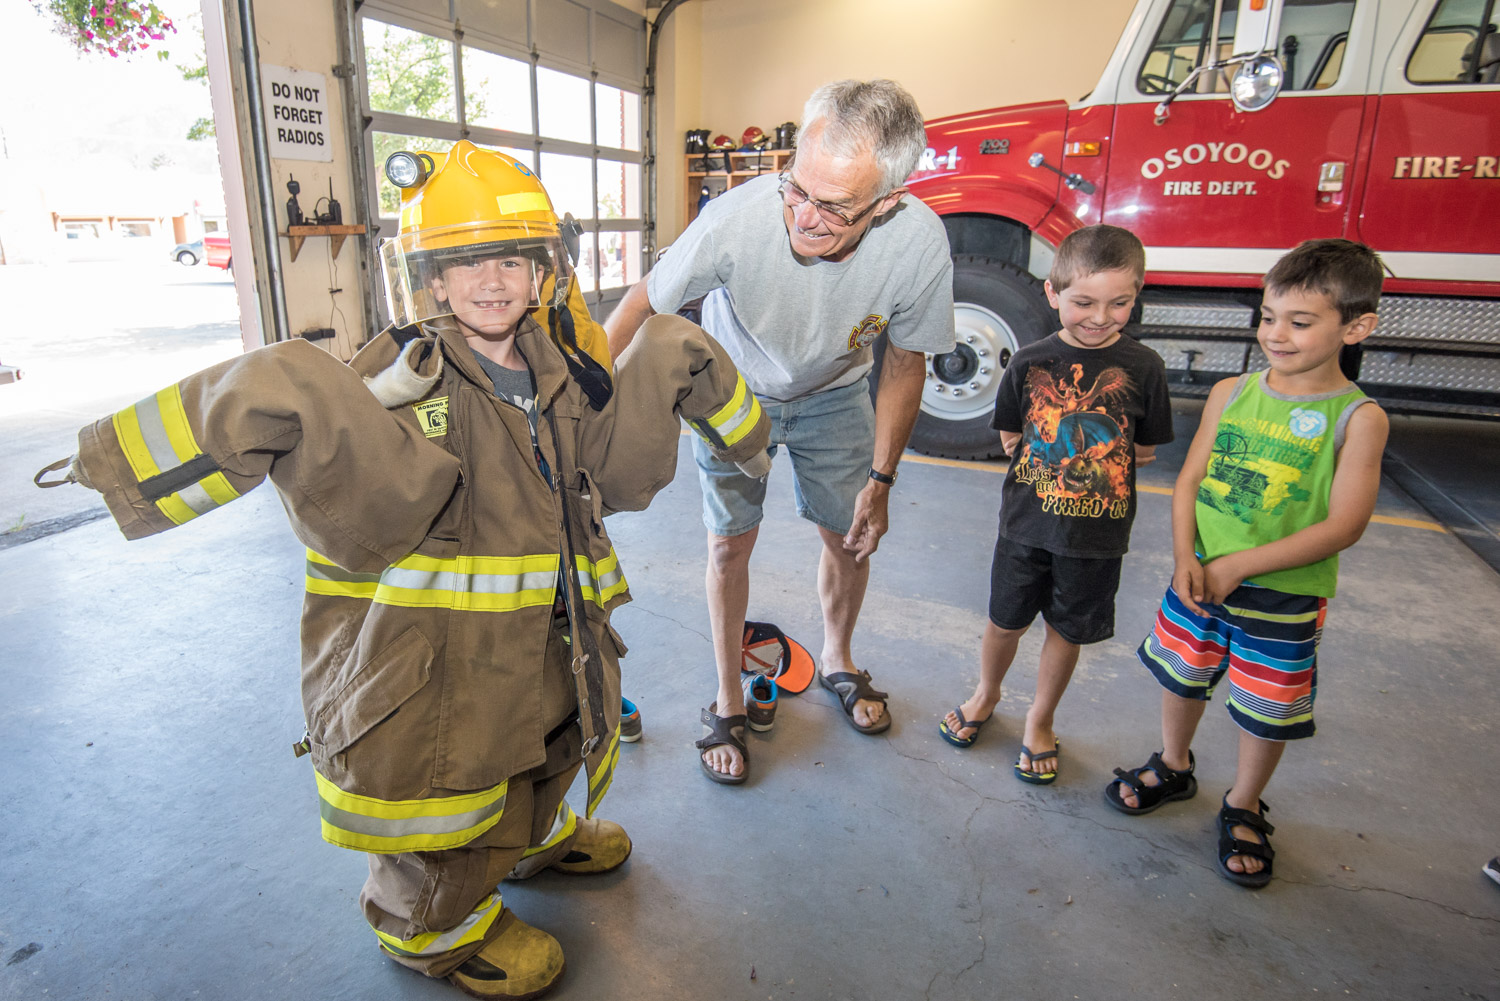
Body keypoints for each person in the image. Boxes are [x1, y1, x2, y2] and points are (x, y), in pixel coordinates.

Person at [36, 140, 768, 998]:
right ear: (427, 281)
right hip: (439, 661)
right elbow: (343, 460)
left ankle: (530, 844)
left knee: (546, 744)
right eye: (463, 266)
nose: (490, 282)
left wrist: (718, 415)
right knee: (452, 789)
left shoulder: (558, 366)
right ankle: (434, 930)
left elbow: (604, 465)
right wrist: (118, 463)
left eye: (508, 260)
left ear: (543, 269)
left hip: (549, 636)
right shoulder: (401, 386)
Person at [604, 79, 956, 784]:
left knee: (848, 537)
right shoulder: (737, 218)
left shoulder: (917, 244)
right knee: (728, 546)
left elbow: (905, 361)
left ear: (886, 203)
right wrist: (579, 395)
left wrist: (883, 480)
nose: (804, 216)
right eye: (798, 188)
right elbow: (644, 300)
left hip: (837, 394)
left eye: (834, 206)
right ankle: (729, 696)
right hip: (733, 393)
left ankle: (837, 657)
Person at [1103, 239, 1389, 890]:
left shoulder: (1358, 419)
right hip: (1198, 579)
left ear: (1358, 326)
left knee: (1266, 707)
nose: (1277, 334)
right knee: (1182, 674)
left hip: (1281, 599)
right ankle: (1175, 764)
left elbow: (1345, 523)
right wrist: (1185, 557)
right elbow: (1189, 482)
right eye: (1267, 316)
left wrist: (1243, 566)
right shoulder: (1233, 391)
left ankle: (1244, 802)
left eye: (1300, 321)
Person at [937, 225, 1173, 786]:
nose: (1100, 316)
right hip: (1024, 528)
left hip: (1096, 540)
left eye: (1119, 303)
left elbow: (1144, 450)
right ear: (1053, 294)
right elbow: (1011, 437)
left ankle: (1040, 721)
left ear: (1137, 295)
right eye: (1083, 302)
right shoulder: (1027, 361)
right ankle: (985, 694)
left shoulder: (1145, 368)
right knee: (1003, 621)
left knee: (1067, 630)